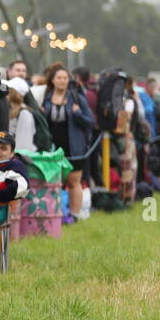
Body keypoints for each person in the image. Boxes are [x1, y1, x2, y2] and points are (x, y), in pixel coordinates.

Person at [41, 63, 94, 223]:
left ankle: (74, 215)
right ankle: (56, 215)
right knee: (54, 182)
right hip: (53, 147)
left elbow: (90, 122)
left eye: (65, 78)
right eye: (59, 78)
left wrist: (77, 114)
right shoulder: (47, 98)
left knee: (73, 181)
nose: (62, 81)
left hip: (74, 146)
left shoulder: (77, 98)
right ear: (53, 80)